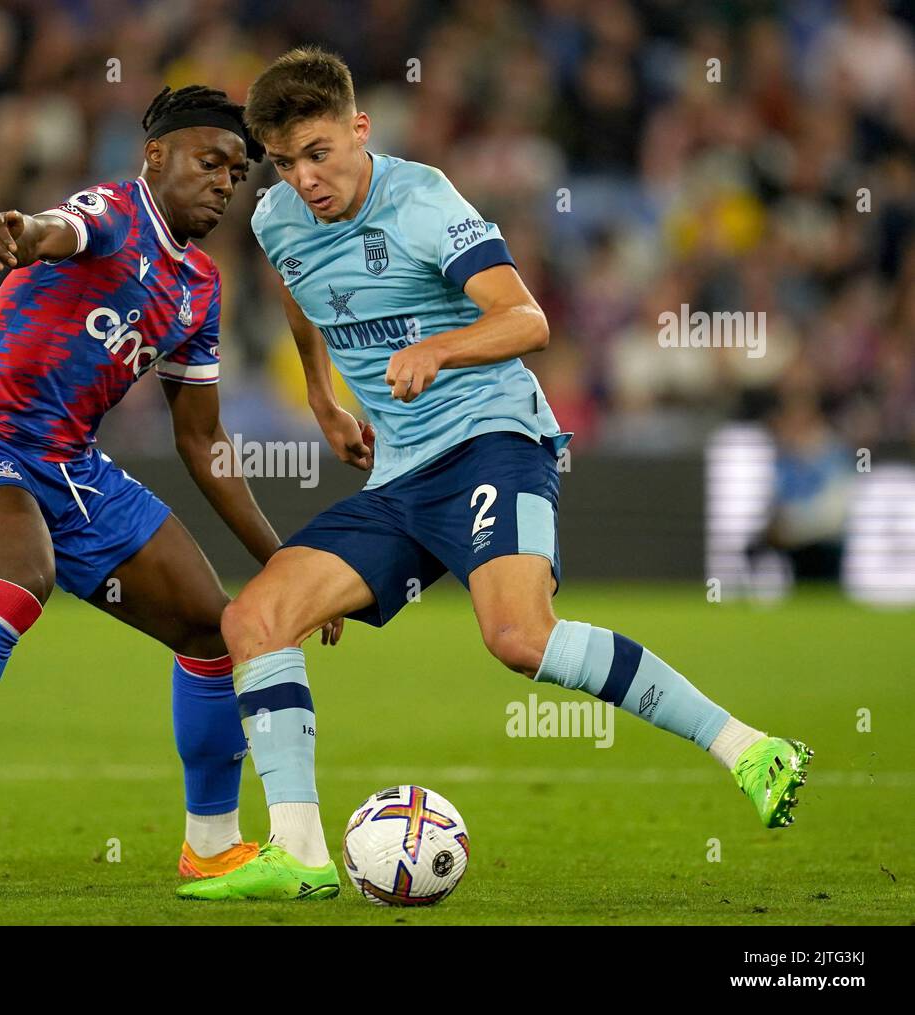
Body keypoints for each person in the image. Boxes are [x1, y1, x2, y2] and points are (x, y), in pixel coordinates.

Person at [179, 49, 811, 903]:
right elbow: (299, 289)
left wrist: (438, 346)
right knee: (254, 617)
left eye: (320, 153)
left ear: (360, 129)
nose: (305, 180)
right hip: (399, 475)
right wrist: (325, 399)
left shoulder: (424, 201)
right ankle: (299, 852)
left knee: (519, 639)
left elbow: (527, 318)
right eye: (285, 164)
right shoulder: (277, 220)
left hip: (492, 439)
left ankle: (746, 745)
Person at [0, 84, 340, 881]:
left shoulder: (200, 286)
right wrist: (23, 232)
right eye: (209, 161)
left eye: (236, 173)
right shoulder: (115, 209)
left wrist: (282, 561)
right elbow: (61, 229)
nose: (223, 182)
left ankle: (210, 846)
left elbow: (202, 438)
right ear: (154, 156)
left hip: (71, 467)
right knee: (21, 578)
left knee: (214, 631)